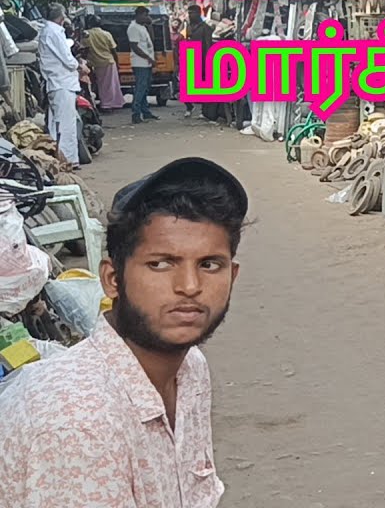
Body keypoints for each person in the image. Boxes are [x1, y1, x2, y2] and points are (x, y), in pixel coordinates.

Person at [0, 157, 250, 507]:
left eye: (209, 265)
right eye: (160, 264)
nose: (190, 286)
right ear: (112, 279)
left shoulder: (190, 370)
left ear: (232, 277)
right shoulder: (76, 422)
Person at [37, 4, 82, 167]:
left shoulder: (50, 31)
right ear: (62, 18)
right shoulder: (55, 32)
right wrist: (80, 65)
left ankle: (61, 158)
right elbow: (67, 60)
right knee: (65, 124)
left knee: (57, 123)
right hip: (61, 81)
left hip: (57, 82)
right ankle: (67, 160)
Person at [84, 14, 127, 110]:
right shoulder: (106, 34)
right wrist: (117, 62)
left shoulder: (86, 35)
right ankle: (109, 104)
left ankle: (107, 104)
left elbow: (85, 50)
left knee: (102, 84)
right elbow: (113, 50)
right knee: (111, 84)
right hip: (108, 62)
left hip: (95, 63)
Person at [128, 6, 160, 124]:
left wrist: (150, 25)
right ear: (139, 15)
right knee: (140, 88)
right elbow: (135, 47)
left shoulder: (142, 27)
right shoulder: (133, 28)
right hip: (139, 62)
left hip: (146, 63)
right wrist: (149, 58)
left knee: (145, 88)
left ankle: (145, 112)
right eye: (145, 15)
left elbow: (151, 39)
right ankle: (136, 113)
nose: (147, 17)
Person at [184, 6, 214, 119]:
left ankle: (203, 111)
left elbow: (207, 44)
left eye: (192, 13)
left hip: (202, 60)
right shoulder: (187, 26)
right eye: (189, 13)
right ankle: (189, 107)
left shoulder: (205, 27)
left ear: (198, 13)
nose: (190, 15)